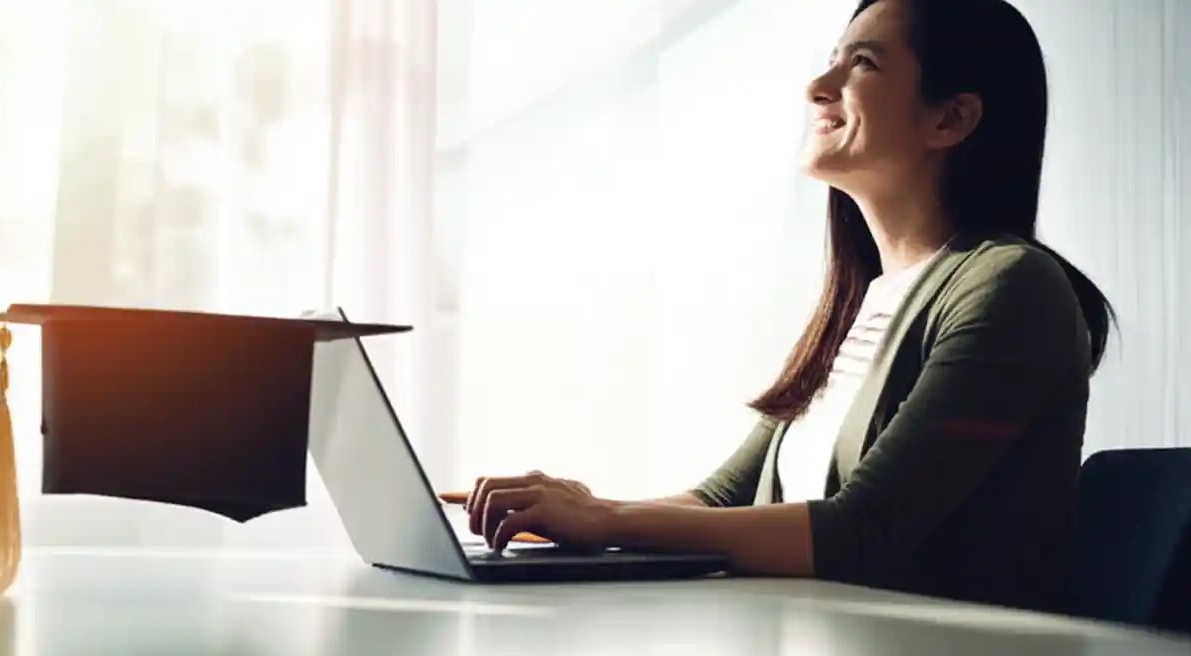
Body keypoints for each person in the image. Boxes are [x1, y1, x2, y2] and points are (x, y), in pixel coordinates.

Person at [463, 0, 1115, 613]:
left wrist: (606, 522)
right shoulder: (861, 305)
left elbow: (862, 531)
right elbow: (723, 500)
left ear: (949, 119)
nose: (817, 87)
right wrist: (559, 517)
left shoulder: (1013, 286)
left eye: (861, 63)